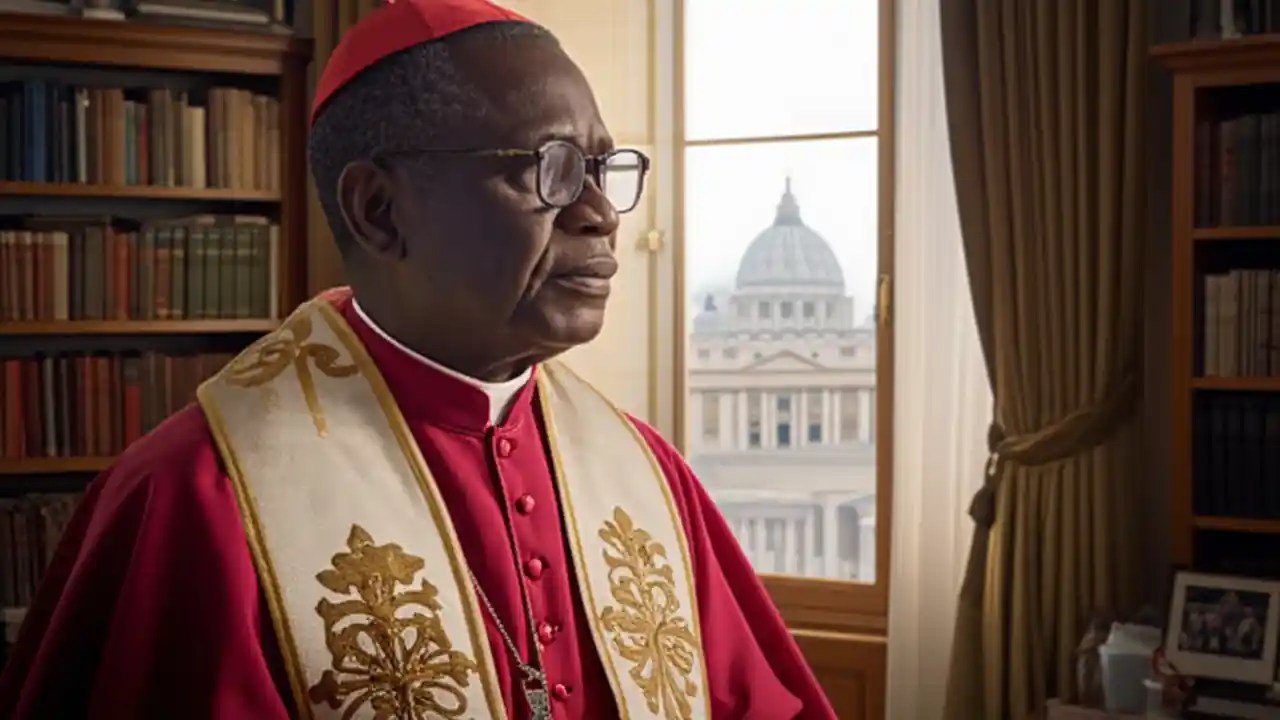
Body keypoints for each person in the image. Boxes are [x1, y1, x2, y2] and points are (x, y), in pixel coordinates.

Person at [0, 1, 837, 719]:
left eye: (600, 169)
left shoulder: (647, 475)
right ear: (379, 211)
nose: (598, 213)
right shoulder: (197, 496)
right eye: (548, 170)